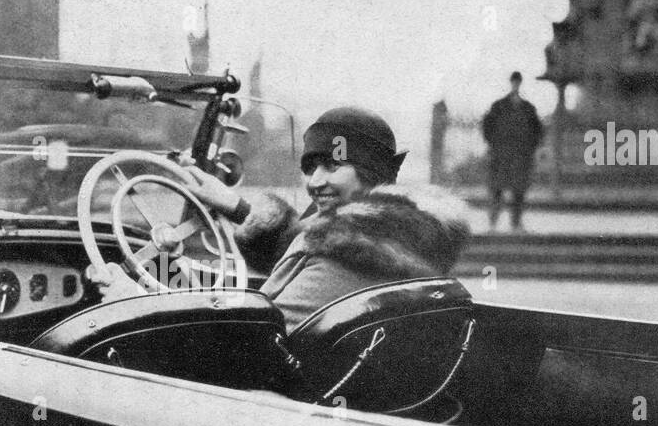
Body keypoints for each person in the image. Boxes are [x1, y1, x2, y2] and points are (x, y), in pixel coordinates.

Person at [92, 106, 470, 332]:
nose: (315, 182)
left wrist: (136, 303)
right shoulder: (391, 237)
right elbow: (307, 250)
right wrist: (234, 205)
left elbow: (251, 345)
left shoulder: (346, 256)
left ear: (370, 172)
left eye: (333, 167)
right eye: (309, 168)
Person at [481, 71, 543, 232]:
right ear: (511, 83)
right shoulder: (499, 106)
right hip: (501, 156)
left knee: (518, 192)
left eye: (518, 82)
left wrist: (530, 149)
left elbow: (537, 131)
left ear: (520, 83)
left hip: (520, 157)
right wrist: (494, 146)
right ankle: (493, 224)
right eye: (514, 81)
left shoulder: (528, 108)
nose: (516, 84)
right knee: (497, 191)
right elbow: (487, 127)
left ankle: (516, 224)